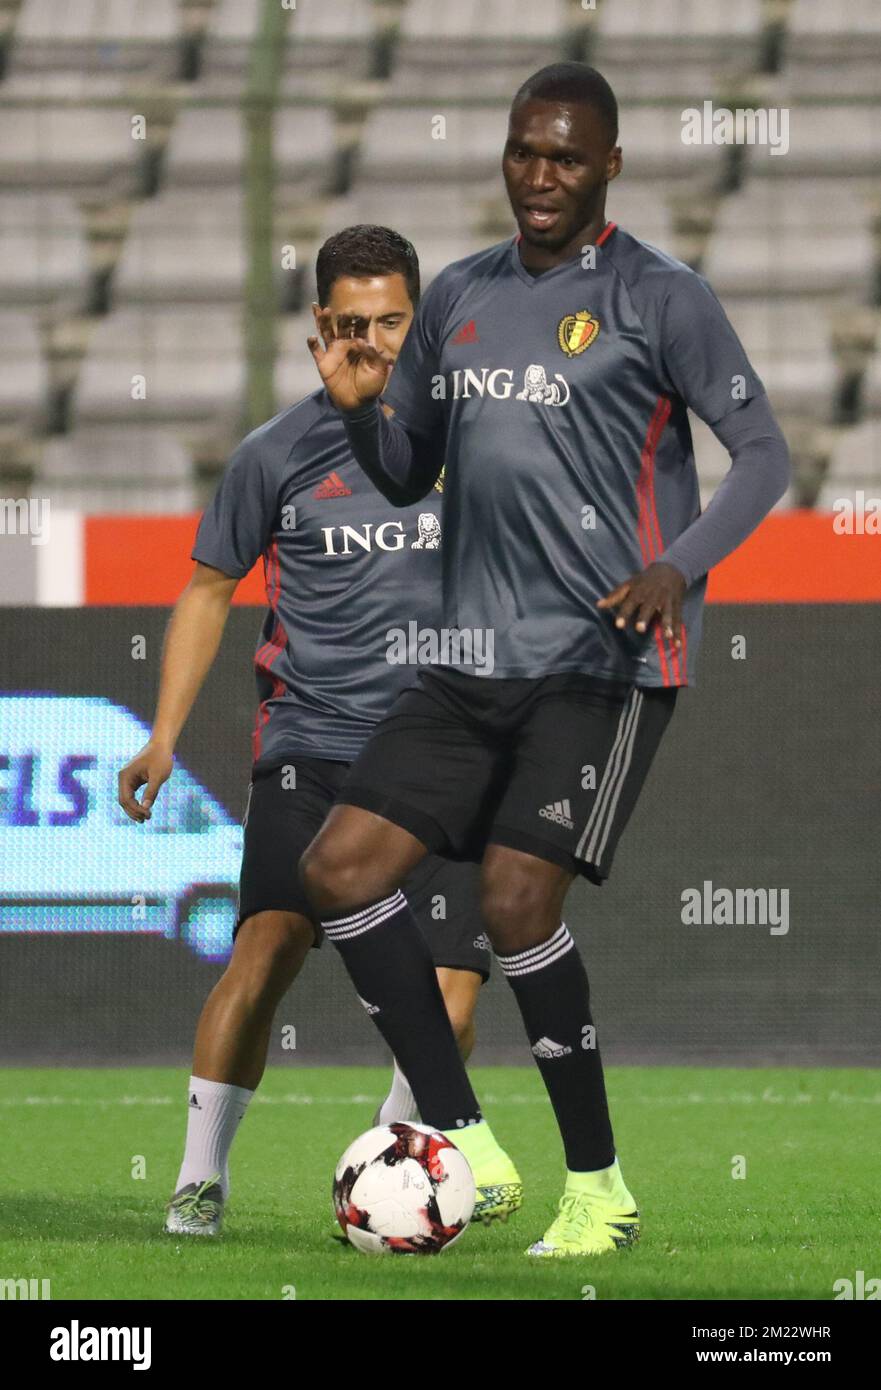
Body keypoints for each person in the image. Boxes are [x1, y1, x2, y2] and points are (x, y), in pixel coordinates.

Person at [303, 63, 791, 1257]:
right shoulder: (459, 295)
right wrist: (367, 406)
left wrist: (678, 565)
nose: (538, 176)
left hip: (603, 660)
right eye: (523, 151)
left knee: (517, 901)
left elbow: (764, 456)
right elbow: (409, 473)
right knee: (339, 867)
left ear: (608, 165)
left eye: (564, 157)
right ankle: (464, 1138)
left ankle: (598, 1186)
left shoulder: (659, 296)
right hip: (468, 663)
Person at [117, 225, 521, 1236]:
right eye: (351, 324)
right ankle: (198, 1179)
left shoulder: (473, 446)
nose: (372, 341)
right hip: (316, 746)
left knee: (454, 998)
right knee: (265, 947)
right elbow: (208, 591)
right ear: (316, 333)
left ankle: (394, 1167)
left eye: (392, 322)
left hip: (448, 755)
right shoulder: (275, 455)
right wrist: (163, 737)